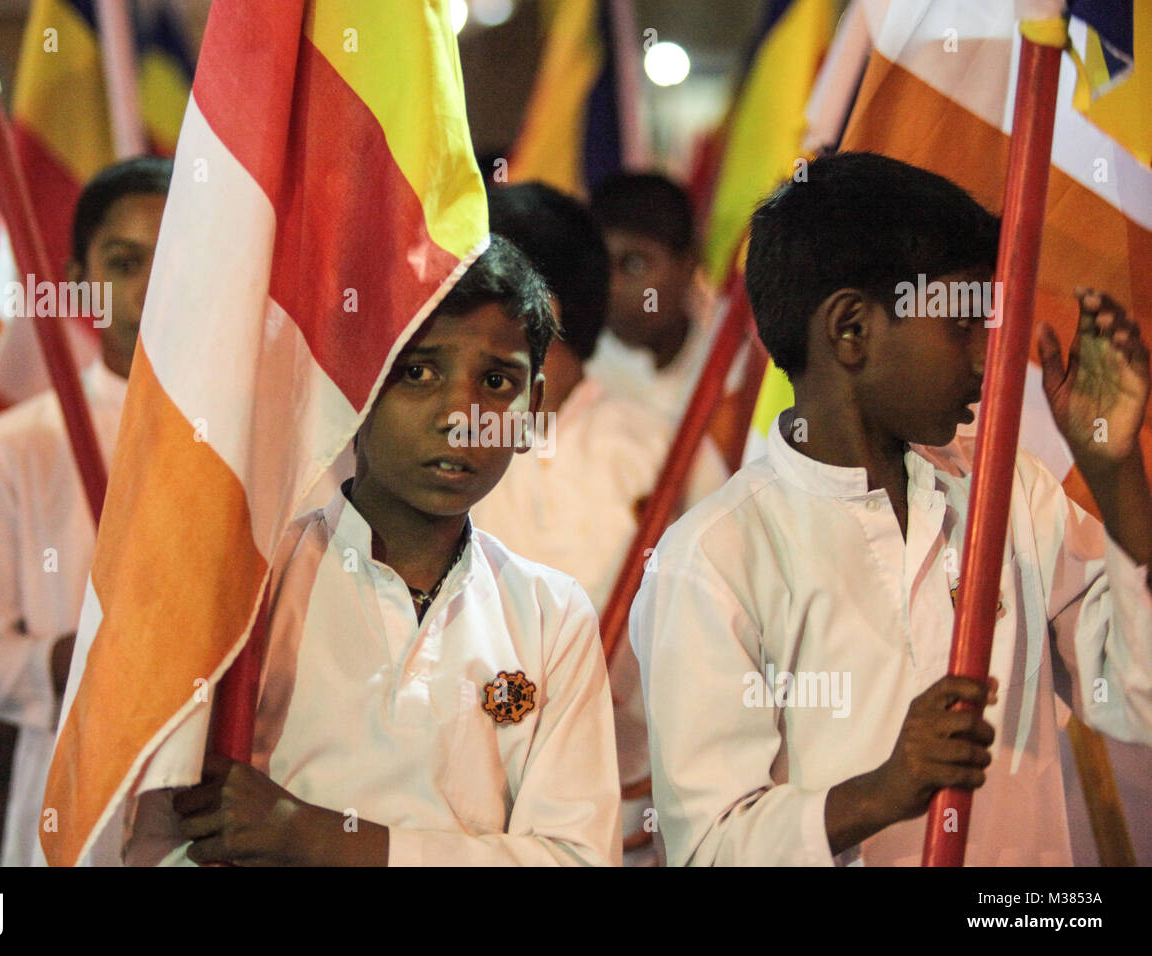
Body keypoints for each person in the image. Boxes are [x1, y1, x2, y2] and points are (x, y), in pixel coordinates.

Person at [631, 151, 1152, 866]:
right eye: (963, 325)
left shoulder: (1010, 490)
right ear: (851, 330)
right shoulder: (715, 559)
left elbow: (1138, 696)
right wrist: (884, 790)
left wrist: (1116, 467)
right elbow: (711, 847)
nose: (987, 360)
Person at [148, 235, 622, 866]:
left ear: (532, 407)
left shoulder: (551, 615)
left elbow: (578, 858)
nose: (461, 414)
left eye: (497, 380)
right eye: (418, 371)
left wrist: (314, 838)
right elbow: (150, 839)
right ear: (355, 385)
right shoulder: (251, 583)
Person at [470, 182, 728, 864]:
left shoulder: (665, 451)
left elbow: (729, 644)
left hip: (638, 823)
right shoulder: (435, 443)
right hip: (465, 819)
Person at [0, 156, 173, 866]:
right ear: (79, 284)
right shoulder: (24, 444)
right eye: (125, 263)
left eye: (177, 258)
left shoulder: (258, 441)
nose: (152, 289)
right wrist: (76, 660)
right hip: (69, 799)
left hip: (214, 796)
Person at [587, 172, 739, 426]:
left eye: (634, 265)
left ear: (688, 266)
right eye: (600, 265)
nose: (612, 286)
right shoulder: (569, 370)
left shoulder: (739, 358)